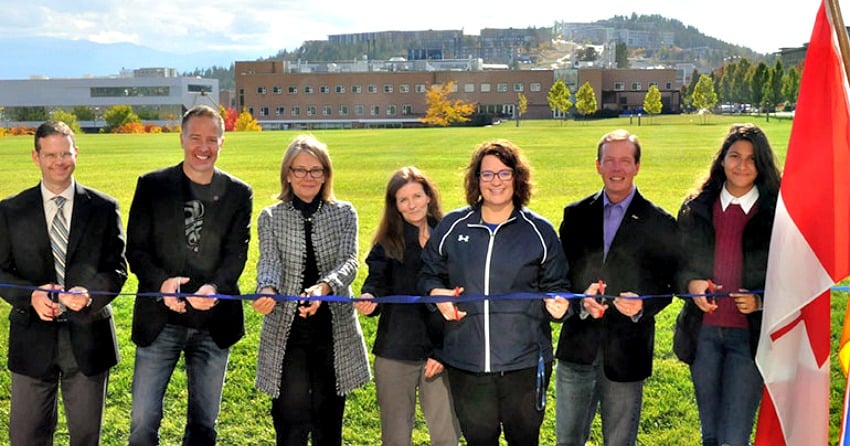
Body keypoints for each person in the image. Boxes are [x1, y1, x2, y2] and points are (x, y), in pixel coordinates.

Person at [420, 139, 571, 446]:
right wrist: (437, 293)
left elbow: (559, 288)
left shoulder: (539, 232)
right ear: (476, 180)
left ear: (517, 177)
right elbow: (427, 273)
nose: (495, 181)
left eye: (504, 173)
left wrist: (560, 307)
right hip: (468, 365)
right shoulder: (452, 225)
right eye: (487, 174)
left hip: (525, 367)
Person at [127, 105, 252, 445]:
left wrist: (214, 287)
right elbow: (135, 250)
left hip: (213, 325)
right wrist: (161, 284)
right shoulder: (152, 186)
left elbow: (236, 254)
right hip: (159, 321)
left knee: (203, 425)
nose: (203, 146)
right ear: (181, 138)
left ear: (222, 143)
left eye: (212, 139)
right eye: (195, 137)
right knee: (142, 422)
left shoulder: (239, 193)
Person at [0, 120, 128, 445]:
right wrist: (30, 295)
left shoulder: (103, 208)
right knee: (26, 436)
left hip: (88, 339)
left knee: (86, 437)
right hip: (32, 339)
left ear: (76, 153)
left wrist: (90, 294)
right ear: (36, 156)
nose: (59, 162)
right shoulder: (11, 210)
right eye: (50, 154)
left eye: (65, 153)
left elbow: (117, 270)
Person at [555, 129, 679, 446]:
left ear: (637, 166)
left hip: (627, 352)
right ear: (598, 165)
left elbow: (669, 284)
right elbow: (558, 277)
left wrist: (643, 306)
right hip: (577, 349)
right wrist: (579, 301)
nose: (616, 168)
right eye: (609, 160)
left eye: (625, 160)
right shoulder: (576, 215)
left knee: (620, 441)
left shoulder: (659, 222)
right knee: (567, 439)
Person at [252, 134, 370, 446]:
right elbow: (268, 262)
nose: (308, 177)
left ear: (326, 174)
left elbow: (349, 263)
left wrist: (325, 287)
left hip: (333, 331)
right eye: (300, 170)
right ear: (287, 174)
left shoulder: (345, 213)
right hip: (287, 333)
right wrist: (267, 288)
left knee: (328, 423)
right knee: (289, 422)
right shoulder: (271, 216)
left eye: (316, 170)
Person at [673, 123, 781, 446]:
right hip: (703, 335)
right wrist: (690, 284)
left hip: (749, 339)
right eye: (734, 156)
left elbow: (791, 277)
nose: (742, 165)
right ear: (722, 160)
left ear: (761, 165)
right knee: (711, 435)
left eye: (751, 158)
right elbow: (676, 267)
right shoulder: (696, 208)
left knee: (734, 437)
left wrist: (761, 302)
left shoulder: (777, 212)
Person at [353, 166, 461, 446]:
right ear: (395, 206)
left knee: (446, 434)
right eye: (403, 199)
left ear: (429, 197)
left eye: (417, 196)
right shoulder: (387, 243)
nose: (411, 204)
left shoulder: (450, 238)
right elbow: (376, 283)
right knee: (396, 436)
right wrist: (369, 299)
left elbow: (461, 294)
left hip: (441, 353)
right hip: (395, 351)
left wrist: (442, 351)